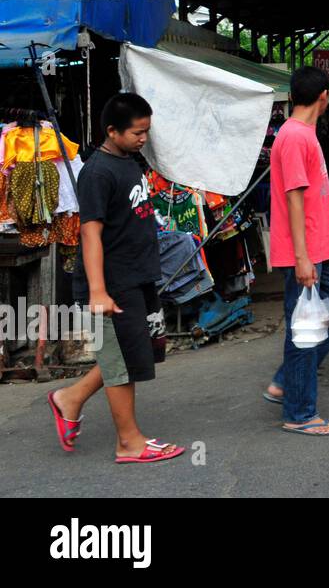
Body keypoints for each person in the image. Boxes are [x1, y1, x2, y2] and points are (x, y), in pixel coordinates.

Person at [47, 92, 186, 464]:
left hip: (137, 277)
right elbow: (90, 234)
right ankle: (129, 443)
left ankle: (70, 398)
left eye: (146, 132)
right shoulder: (97, 172)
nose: (143, 138)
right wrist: (97, 291)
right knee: (122, 361)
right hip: (110, 284)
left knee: (135, 354)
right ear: (112, 131)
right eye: (137, 132)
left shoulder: (129, 162)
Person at [263, 67, 329, 436]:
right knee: (305, 329)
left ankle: (286, 379)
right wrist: (302, 257)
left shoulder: (300, 134)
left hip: (322, 246)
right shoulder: (295, 137)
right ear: (324, 97)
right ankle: (299, 413)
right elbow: (294, 198)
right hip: (308, 250)